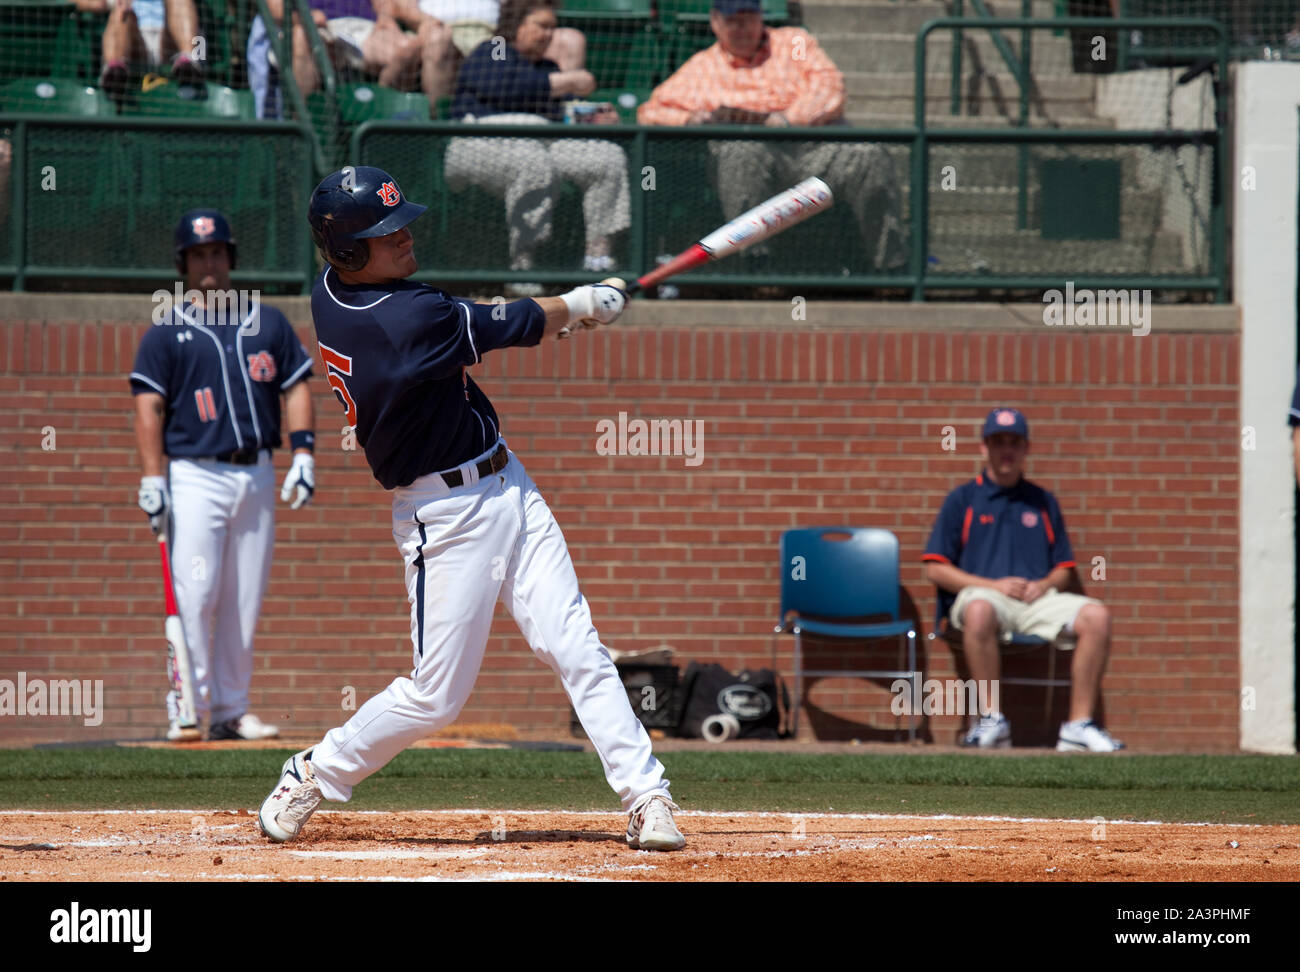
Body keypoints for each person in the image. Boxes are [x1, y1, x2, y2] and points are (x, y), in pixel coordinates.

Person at [256, 165, 684, 852]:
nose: (404, 237)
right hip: (444, 516)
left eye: (401, 222)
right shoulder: (402, 318)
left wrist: (559, 317)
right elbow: (507, 322)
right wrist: (582, 304)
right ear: (346, 252)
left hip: (507, 482)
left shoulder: (336, 292)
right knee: (436, 697)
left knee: (576, 646)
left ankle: (647, 796)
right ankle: (313, 771)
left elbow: (482, 332)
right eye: (384, 232)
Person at [129, 210, 317, 741]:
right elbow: (149, 407)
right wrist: (153, 478)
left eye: (215, 252)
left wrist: (303, 453)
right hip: (195, 475)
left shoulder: (269, 321)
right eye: (197, 254)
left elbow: (297, 386)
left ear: (229, 257)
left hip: (256, 471)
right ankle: (187, 703)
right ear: (184, 263)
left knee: (243, 596)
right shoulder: (166, 330)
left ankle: (232, 711)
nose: (207, 262)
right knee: (196, 590)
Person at [637, 0, 906, 272]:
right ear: (715, 22)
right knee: (741, 152)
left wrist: (786, 119)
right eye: (734, 20)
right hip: (751, 160)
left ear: (761, 17)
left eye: (749, 18)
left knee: (867, 155)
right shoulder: (702, 66)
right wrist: (690, 119)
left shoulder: (794, 43)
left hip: (812, 149)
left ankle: (890, 269)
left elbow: (830, 88)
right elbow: (650, 110)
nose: (743, 28)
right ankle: (756, 270)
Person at [921, 408, 1125, 752]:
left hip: (1037, 601)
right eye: (998, 442)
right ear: (984, 447)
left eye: (1014, 442)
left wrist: (1044, 585)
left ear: (1025, 448)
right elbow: (935, 567)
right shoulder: (962, 499)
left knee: (1098, 616)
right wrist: (993, 585)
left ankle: (1078, 726)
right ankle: (991, 720)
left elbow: (1064, 568)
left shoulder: (1043, 502)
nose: (1007, 450)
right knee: (980, 609)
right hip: (985, 598)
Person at [443, 0, 628, 294]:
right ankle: (523, 263)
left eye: (552, 28)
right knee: (532, 156)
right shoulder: (493, 49)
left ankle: (598, 255)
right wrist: (567, 80)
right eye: (541, 26)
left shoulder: (546, 67)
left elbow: (554, 115)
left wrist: (593, 117)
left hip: (538, 140)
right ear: (517, 24)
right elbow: (505, 89)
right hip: (478, 142)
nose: (548, 35)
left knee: (606, 157)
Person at [72, 0, 206, 103]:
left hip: (172, 40)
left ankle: (189, 62)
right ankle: (114, 72)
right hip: (134, 41)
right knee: (121, 11)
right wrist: (109, 2)